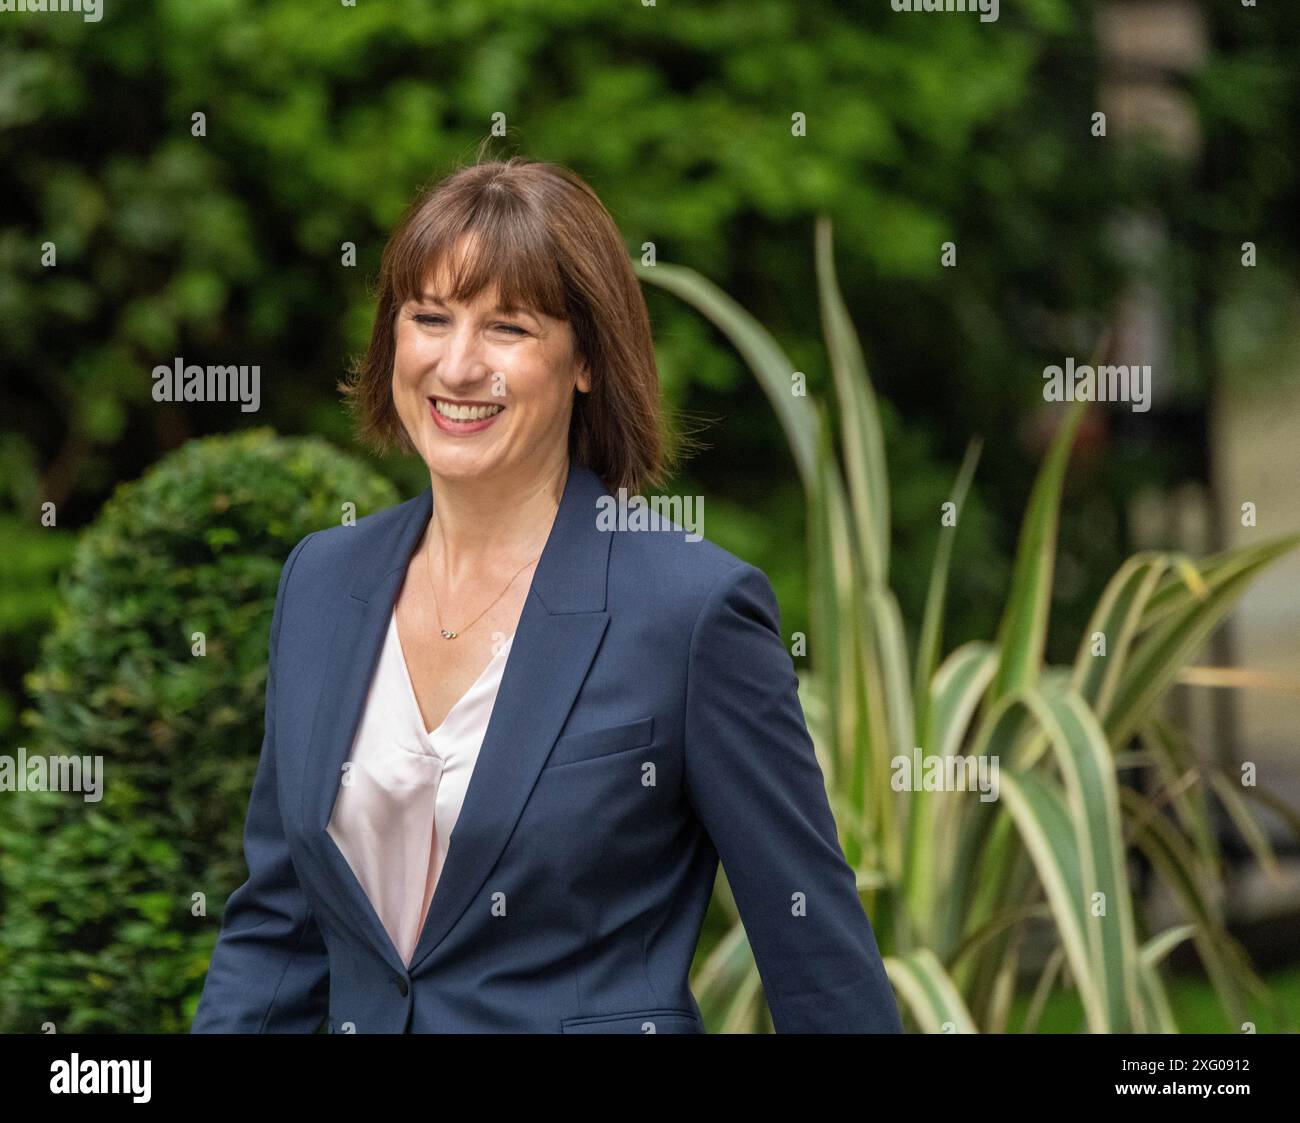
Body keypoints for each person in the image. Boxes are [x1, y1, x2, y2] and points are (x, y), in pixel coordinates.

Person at [191, 155, 902, 1034]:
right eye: (430, 318)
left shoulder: (692, 613)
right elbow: (278, 934)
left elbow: (821, 968)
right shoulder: (322, 582)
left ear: (586, 362)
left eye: (509, 329)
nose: (457, 365)